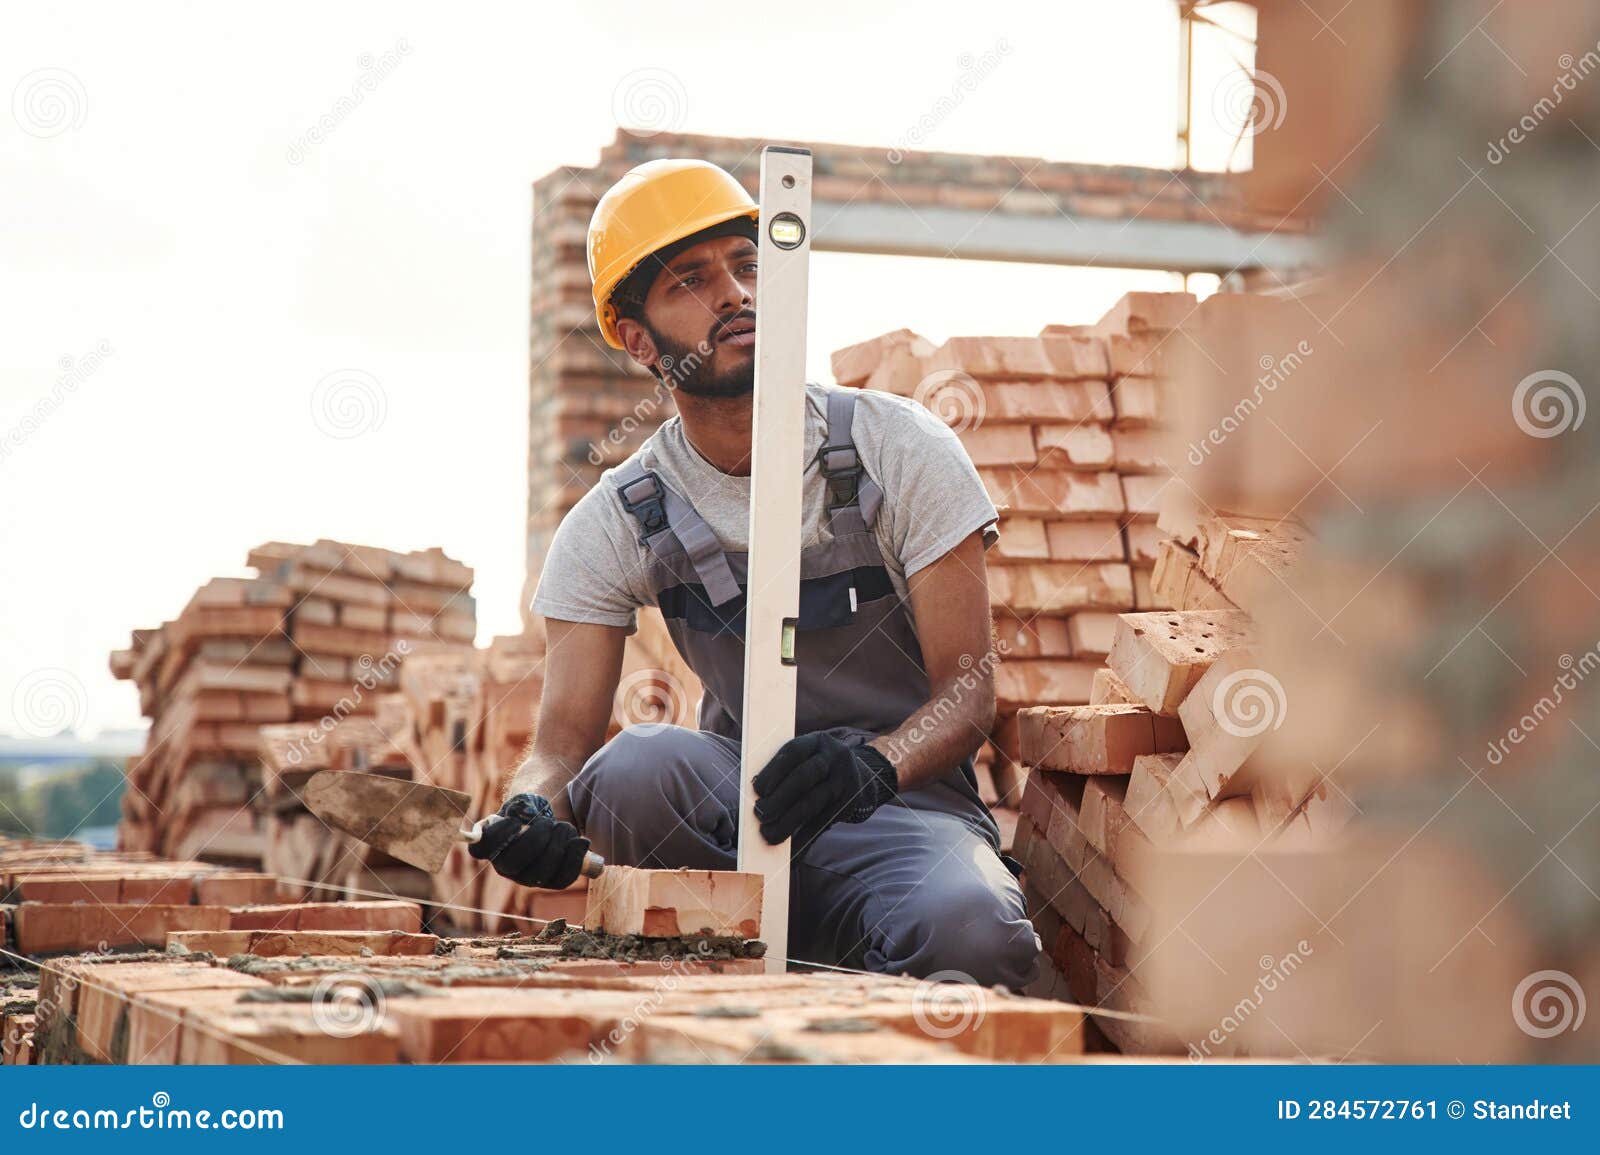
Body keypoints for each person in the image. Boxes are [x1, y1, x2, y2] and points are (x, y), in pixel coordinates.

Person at [471, 158, 1039, 988]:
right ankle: (707, 988)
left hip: (900, 811)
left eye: (746, 266)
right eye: (691, 282)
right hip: (736, 811)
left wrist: (872, 766)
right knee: (632, 770)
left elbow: (969, 695)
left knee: (974, 933)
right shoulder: (620, 515)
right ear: (637, 339)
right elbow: (560, 748)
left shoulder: (899, 448)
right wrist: (532, 807)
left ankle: (879, 984)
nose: (734, 295)